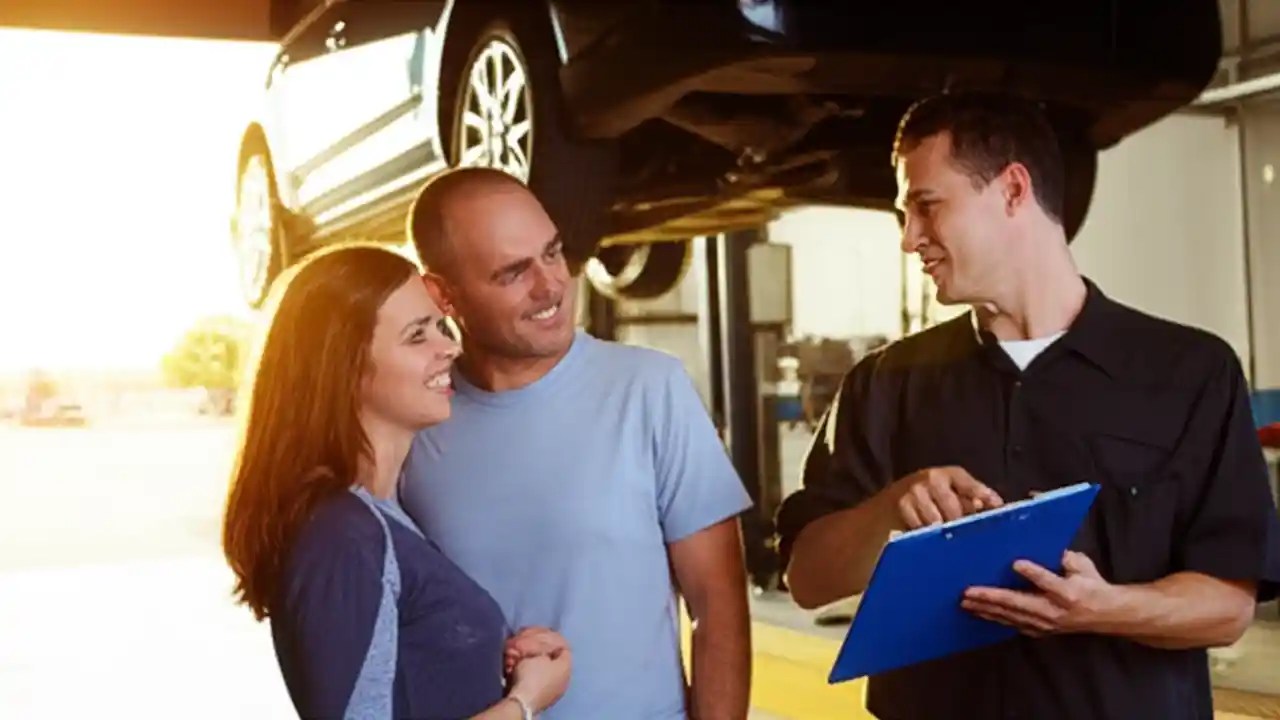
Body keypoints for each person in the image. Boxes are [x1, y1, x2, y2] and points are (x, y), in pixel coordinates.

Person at [776, 91, 1280, 720]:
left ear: (1013, 190)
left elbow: (1228, 606)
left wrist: (1100, 608)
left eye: (927, 208)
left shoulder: (1189, 372)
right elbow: (807, 580)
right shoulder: (886, 383)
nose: (910, 240)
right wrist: (887, 509)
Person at [399, 167, 754, 719]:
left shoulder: (649, 389)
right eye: (513, 272)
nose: (551, 286)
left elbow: (719, 606)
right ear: (444, 294)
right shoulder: (416, 425)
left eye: (552, 252)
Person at [221, 244, 572, 719]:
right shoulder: (343, 536)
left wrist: (496, 661)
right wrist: (525, 702)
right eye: (417, 335)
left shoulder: (383, 515)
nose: (449, 346)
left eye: (438, 326)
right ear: (345, 368)